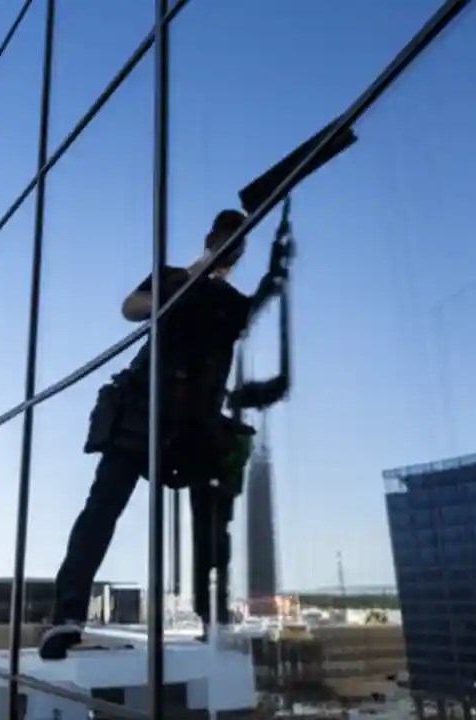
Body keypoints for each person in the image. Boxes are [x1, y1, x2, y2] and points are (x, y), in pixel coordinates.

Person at [39, 209, 282, 660]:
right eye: (222, 241)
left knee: (209, 514)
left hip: (192, 425)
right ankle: (66, 616)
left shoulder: (230, 304)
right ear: (209, 241)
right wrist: (197, 269)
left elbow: (247, 317)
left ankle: (211, 617)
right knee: (102, 508)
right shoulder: (174, 277)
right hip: (143, 412)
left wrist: (271, 274)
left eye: (235, 246)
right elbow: (131, 308)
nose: (227, 251)